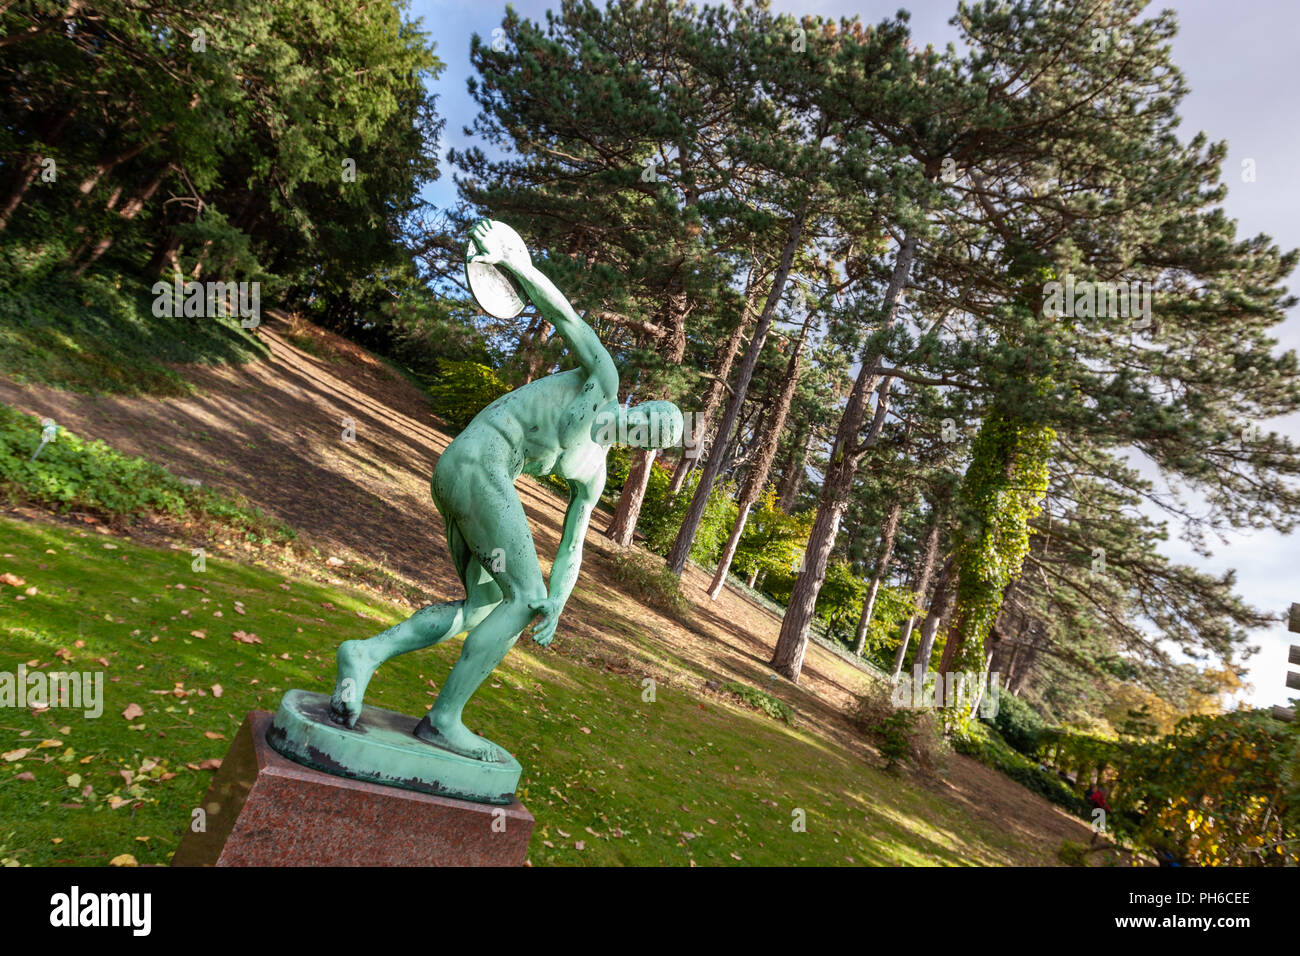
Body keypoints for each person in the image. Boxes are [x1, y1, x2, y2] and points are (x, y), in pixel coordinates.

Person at [328, 219, 683, 762]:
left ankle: (364, 653)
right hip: (477, 461)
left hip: (465, 480)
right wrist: (515, 263)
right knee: (522, 595)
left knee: (483, 607)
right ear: (644, 407)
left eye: (655, 436)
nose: (645, 430)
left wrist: (559, 603)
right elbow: (564, 317)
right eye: (651, 418)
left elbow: (574, 545)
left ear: (649, 447)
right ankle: (444, 720)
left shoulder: (594, 471)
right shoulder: (603, 381)